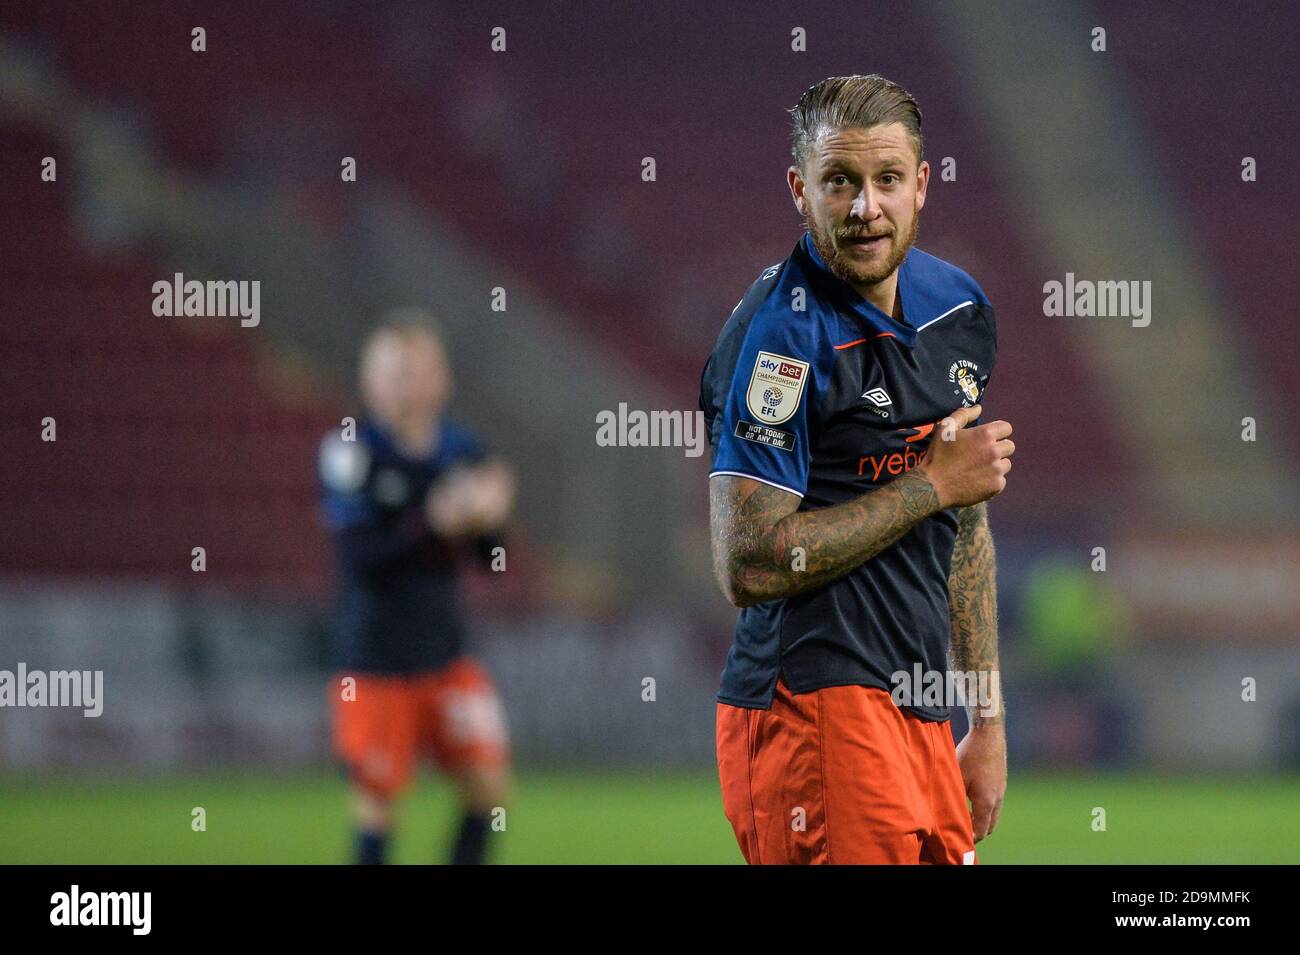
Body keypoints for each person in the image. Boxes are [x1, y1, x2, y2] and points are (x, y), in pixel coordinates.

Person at [700, 75, 1014, 864]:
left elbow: (963, 520)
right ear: (800, 190)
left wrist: (988, 720)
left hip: (919, 709)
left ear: (922, 185)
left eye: (886, 180)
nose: (865, 207)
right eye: (840, 181)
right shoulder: (779, 342)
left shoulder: (959, 309)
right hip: (809, 703)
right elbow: (747, 561)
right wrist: (929, 484)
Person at [318, 310, 514, 864]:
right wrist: (435, 521)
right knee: (377, 805)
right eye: (393, 372)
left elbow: (491, 560)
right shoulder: (351, 450)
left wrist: (491, 516)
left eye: (416, 371)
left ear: (441, 378)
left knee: (488, 789)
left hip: (446, 656)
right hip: (374, 662)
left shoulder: (462, 448)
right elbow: (359, 560)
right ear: (369, 380)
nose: (405, 384)